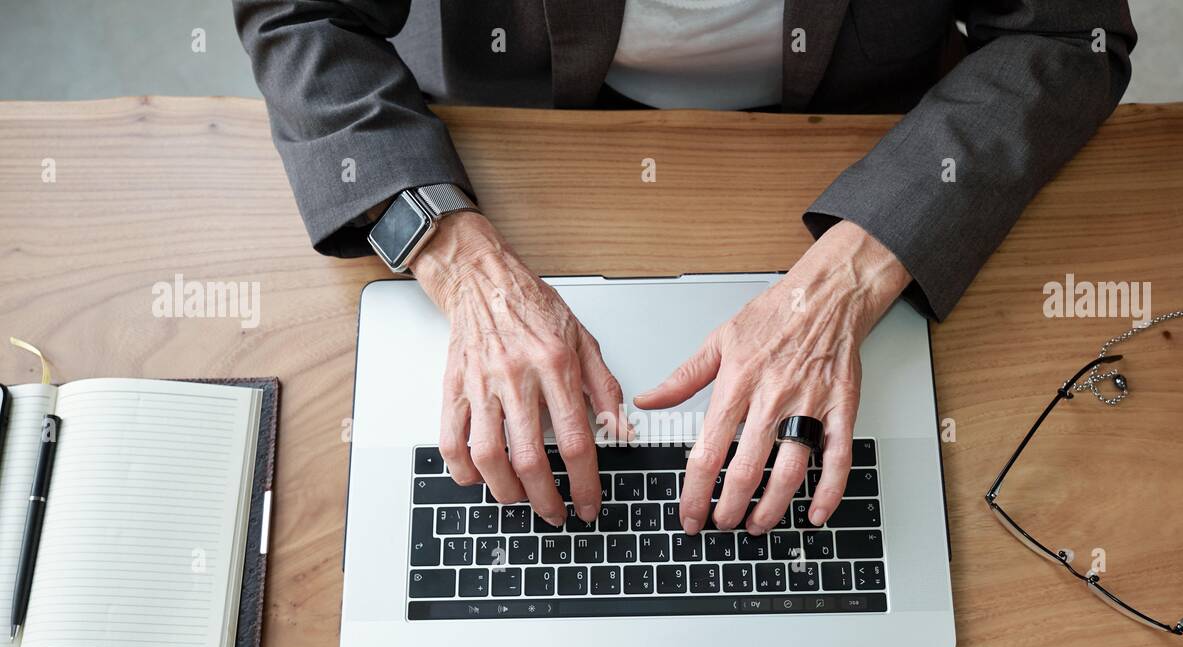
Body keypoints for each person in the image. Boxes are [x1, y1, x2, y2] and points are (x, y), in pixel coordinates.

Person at [235, 0, 1136, 536]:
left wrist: (850, 277)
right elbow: (300, 14)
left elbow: (1065, 34)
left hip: (865, 136)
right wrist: (455, 258)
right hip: (509, 133)